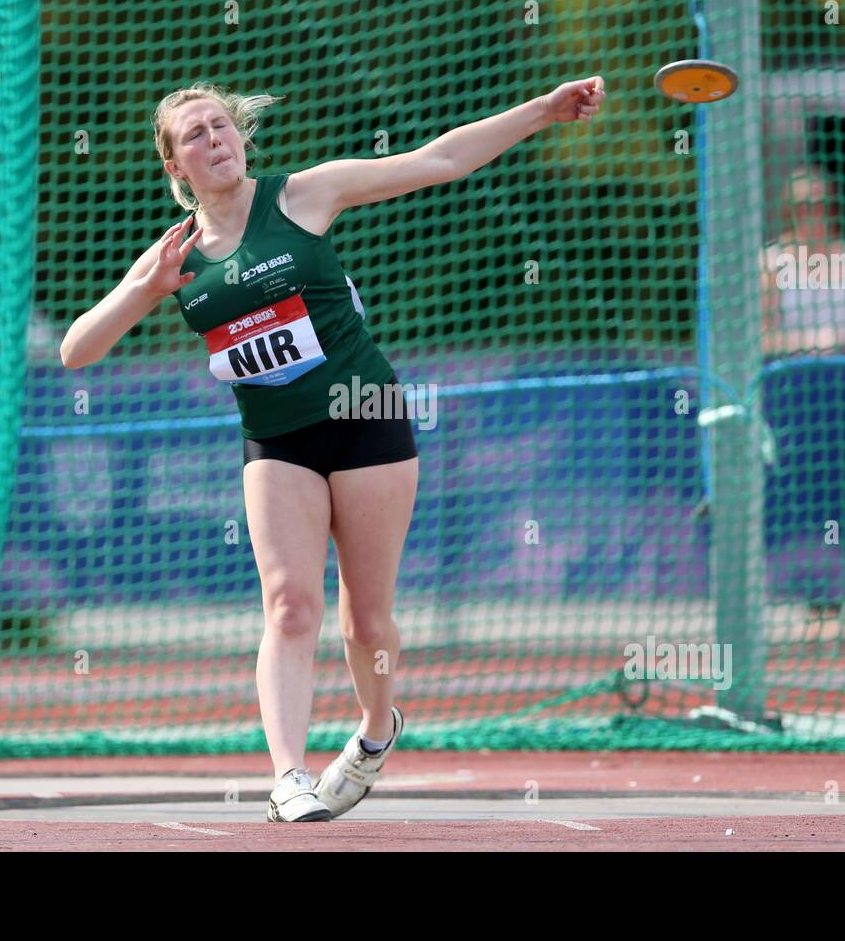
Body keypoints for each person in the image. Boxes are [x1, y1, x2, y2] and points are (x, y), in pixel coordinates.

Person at [61, 77, 605, 821]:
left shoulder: (300, 197)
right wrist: (142, 292)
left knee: (366, 621)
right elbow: (75, 351)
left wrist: (544, 109)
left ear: (241, 139)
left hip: (366, 416)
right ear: (174, 167)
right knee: (288, 604)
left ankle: (377, 733)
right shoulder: (174, 260)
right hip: (276, 441)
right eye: (195, 134)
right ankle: (288, 777)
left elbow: (439, 160)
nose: (214, 139)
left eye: (221, 126)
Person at [758, 165, 845, 643]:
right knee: (798, 502)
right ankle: (806, 602)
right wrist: (812, 341)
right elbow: (766, 337)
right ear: (790, 212)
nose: (816, 214)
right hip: (793, 400)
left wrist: (843, 344)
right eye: (805, 206)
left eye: (823, 204)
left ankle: (834, 608)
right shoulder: (770, 262)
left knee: (842, 498)